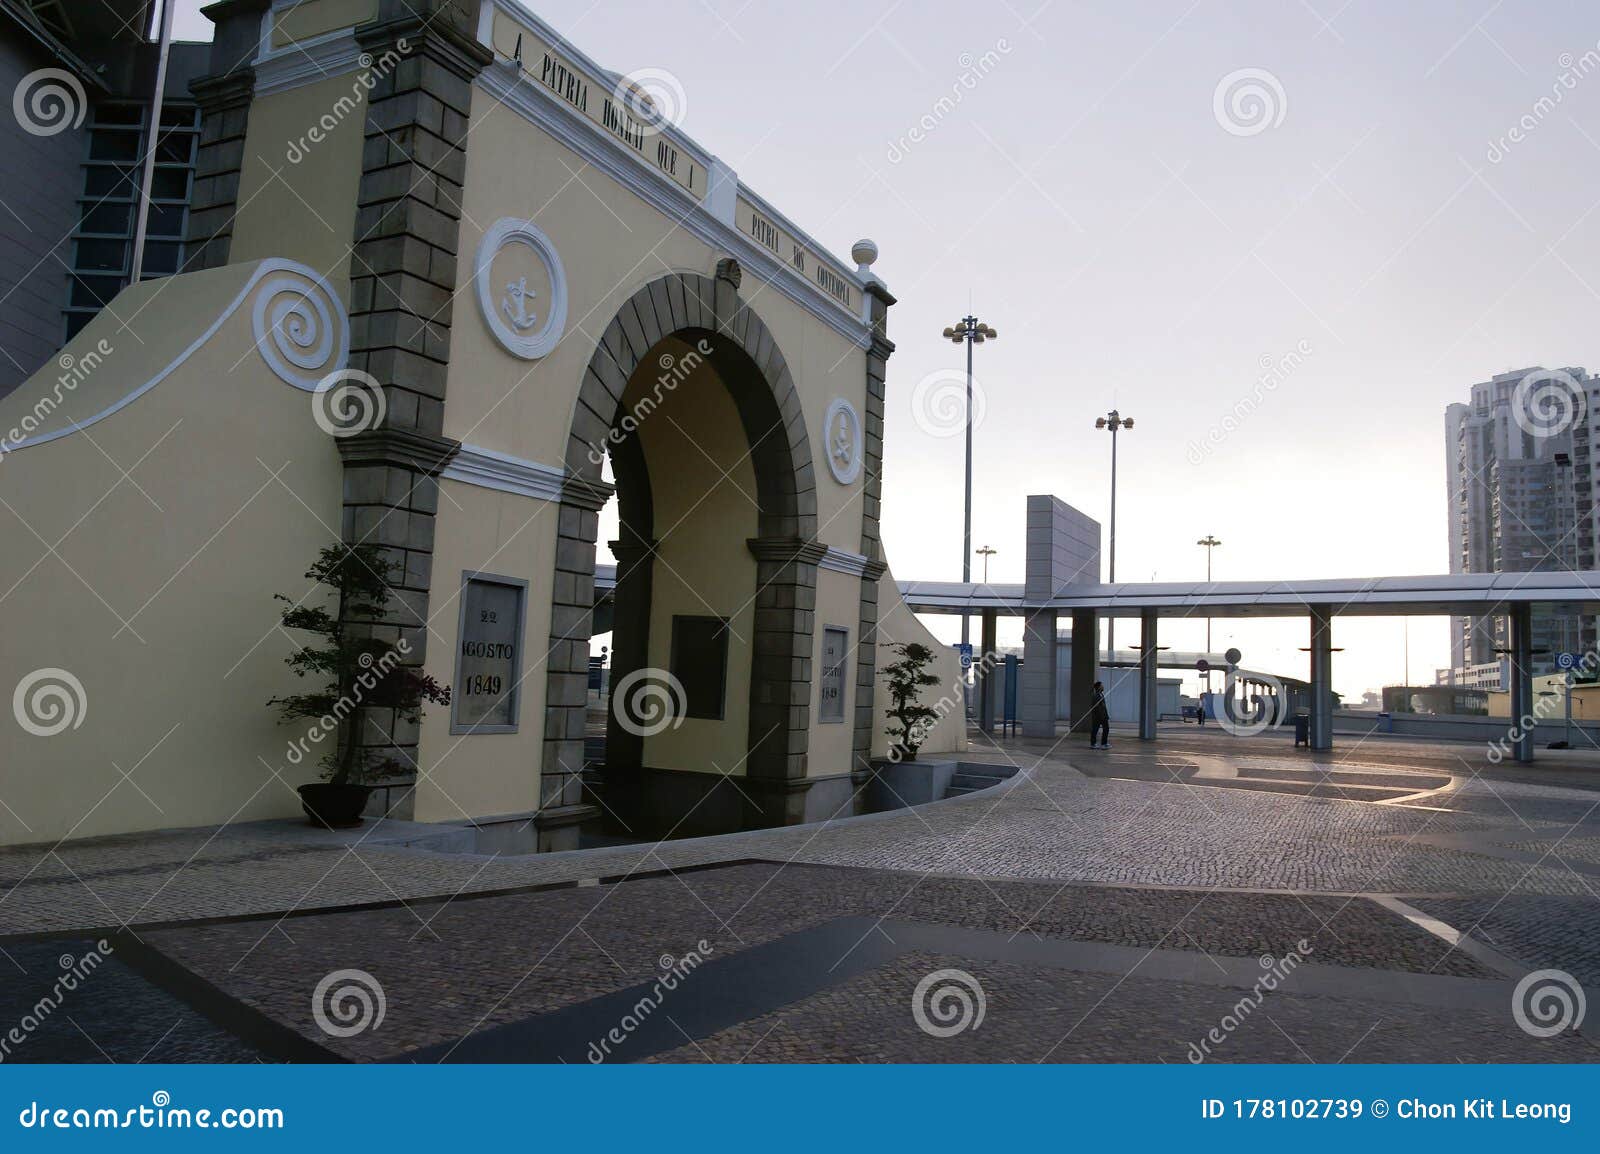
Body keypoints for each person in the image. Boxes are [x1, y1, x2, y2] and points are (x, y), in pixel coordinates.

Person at [1088, 680, 1111, 748]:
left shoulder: (1101, 694)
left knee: (1105, 729)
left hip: (1103, 716)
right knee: (1095, 729)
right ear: (1098, 687)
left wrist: (1106, 715)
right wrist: (1102, 716)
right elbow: (1097, 708)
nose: (1103, 686)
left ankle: (1103, 743)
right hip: (1099, 717)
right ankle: (1094, 744)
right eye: (1101, 685)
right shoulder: (1096, 696)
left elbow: (1103, 707)